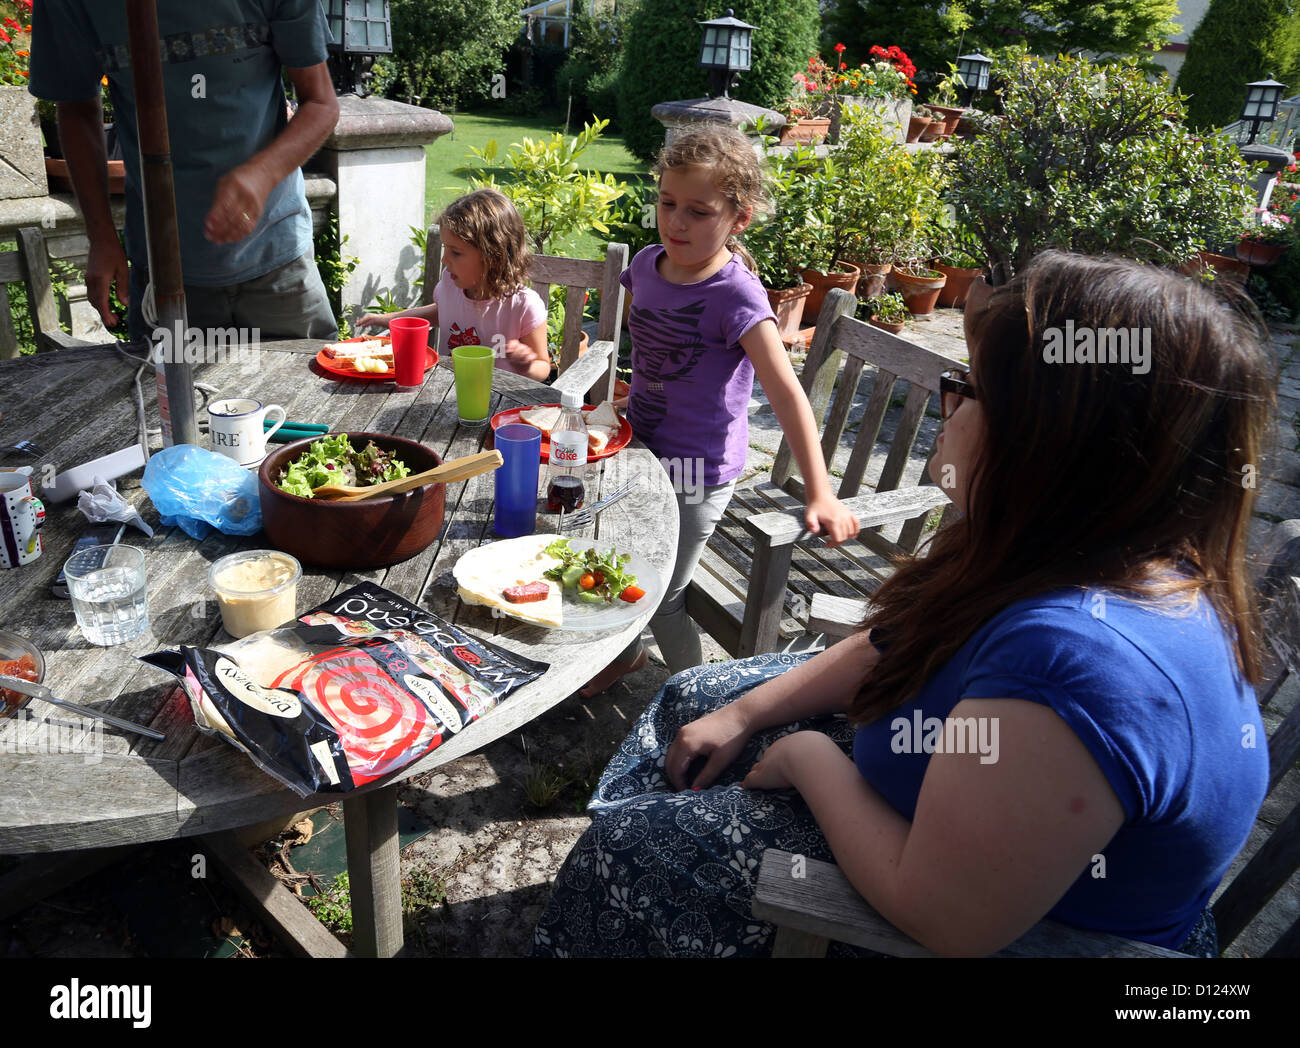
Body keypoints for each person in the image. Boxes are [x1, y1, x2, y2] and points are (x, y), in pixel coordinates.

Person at [530, 250, 1274, 958]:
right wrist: (748, 714)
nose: (946, 408)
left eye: (969, 385)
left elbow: (942, 917)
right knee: (691, 697)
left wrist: (807, 755)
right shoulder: (1066, 550)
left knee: (632, 855)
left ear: (1050, 444)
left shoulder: (1080, 667)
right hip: (935, 803)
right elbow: (899, 637)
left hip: (976, 924)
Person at [575, 125, 860, 698]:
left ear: (740, 218)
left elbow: (787, 394)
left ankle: (700, 702)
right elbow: (656, 354)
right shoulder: (648, 268)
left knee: (661, 598)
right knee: (613, 557)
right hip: (639, 449)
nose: (676, 221)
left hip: (697, 470)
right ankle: (623, 658)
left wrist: (821, 491)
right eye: (668, 203)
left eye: (699, 211)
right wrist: (627, 394)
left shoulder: (739, 297)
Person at [29, 0, 340, 342]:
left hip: (280, 263)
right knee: (163, 394)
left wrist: (263, 173)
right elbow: (76, 110)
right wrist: (101, 238)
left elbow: (321, 103)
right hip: (162, 273)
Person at [357, 188, 550, 382]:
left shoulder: (523, 305)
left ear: (493, 256)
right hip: (446, 389)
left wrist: (528, 366)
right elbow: (442, 311)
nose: (444, 260)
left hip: (500, 401)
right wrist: (389, 319)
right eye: (445, 249)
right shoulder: (451, 283)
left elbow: (543, 366)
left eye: (455, 252)